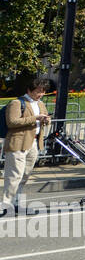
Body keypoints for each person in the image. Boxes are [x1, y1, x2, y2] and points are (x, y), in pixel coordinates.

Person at [2, 75, 52, 217]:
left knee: (25, 176)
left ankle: (16, 204)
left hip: (34, 142)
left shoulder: (40, 104)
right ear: (29, 90)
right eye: (38, 91)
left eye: (43, 91)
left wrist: (46, 120)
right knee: (14, 176)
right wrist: (35, 118)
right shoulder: (17, 103)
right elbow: (12, 122)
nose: (41, 94)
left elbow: (45, 119)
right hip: (17, 143)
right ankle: (6, 206)